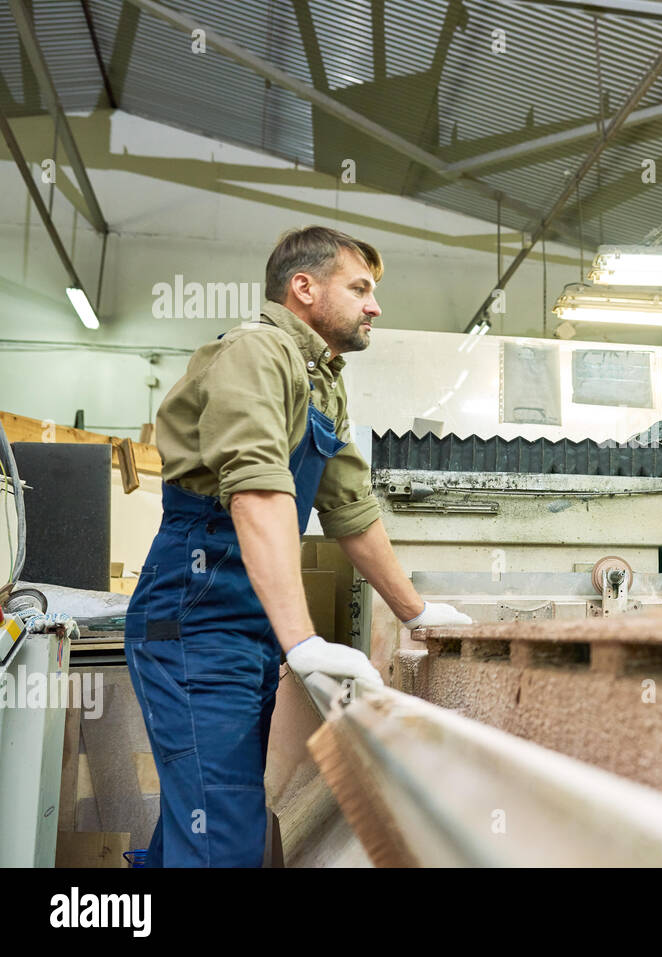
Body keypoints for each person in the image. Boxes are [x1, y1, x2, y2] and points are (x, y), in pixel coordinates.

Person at [124, 226, 470, 867]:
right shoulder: (257, 353)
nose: (376, 306)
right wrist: (302, 639)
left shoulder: (321, 378)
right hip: (193, 617)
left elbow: (349, 509)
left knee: (203, 816)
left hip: (239, 629)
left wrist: (414, 612)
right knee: (223, 836)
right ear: (303, 287)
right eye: (360, 288)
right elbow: (256, 494)